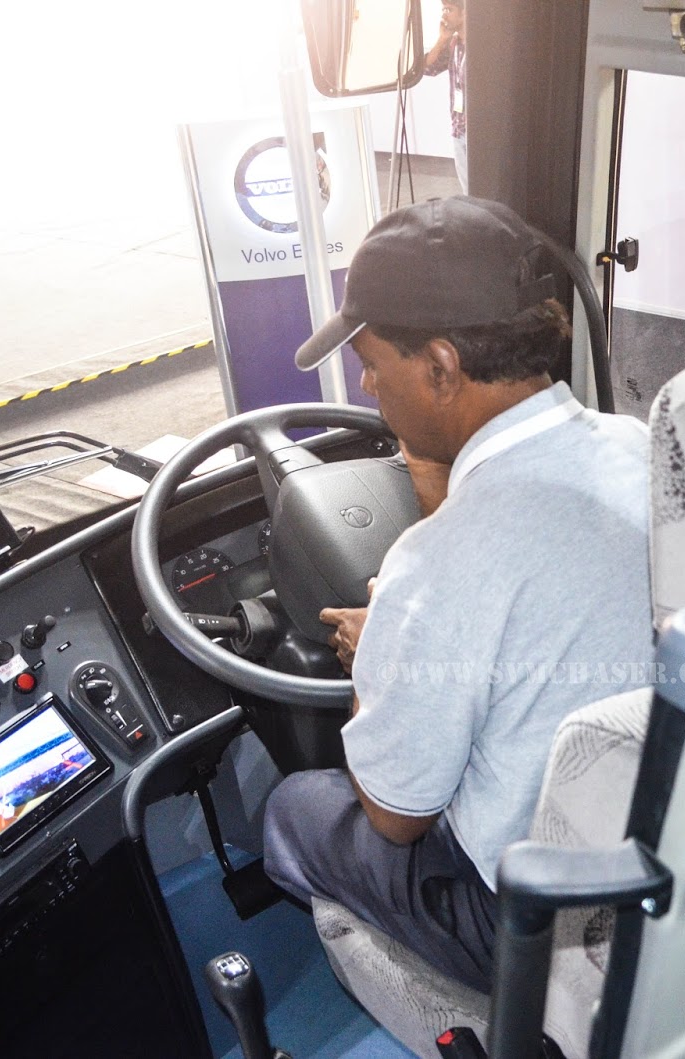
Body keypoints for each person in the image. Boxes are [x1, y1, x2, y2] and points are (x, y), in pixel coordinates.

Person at [262, 196, 653, 992]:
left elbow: (395, 813)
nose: (367, 383)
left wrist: (379, 661)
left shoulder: (434, 563)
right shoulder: (640, 445)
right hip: (663, 854)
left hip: (535, 923)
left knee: (296, 806)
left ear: (441, 366)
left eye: (373, 362)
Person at [422, 0, 467, 193]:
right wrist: (442, 39)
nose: (444, 14)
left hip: (478, 130)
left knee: (484, 190)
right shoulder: (452, 44)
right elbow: (427, 68)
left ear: (465, 13)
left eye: (449, 9)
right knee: (468, 191)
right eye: (443, 9)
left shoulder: (482, 45)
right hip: (458, 128)